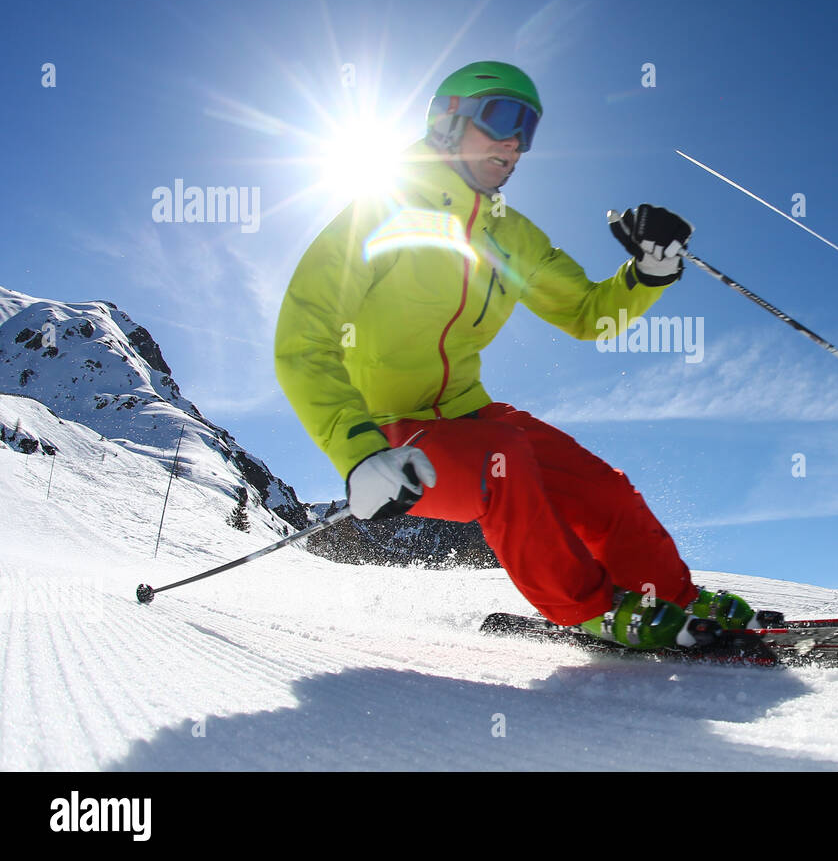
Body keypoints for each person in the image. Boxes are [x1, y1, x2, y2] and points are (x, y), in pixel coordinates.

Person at [274, 61, 754, 649]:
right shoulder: (378, 212)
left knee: (601, 487)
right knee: (501, 462)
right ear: (447, 122)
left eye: (527, 129)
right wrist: (359, 452)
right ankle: (588, 610)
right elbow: (303, 341)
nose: (513, 142)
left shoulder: (512, 236)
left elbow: (587, 314)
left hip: (469, 415)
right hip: (391, 438)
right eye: (501, 117)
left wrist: (647, 274)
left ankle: (673, 599)